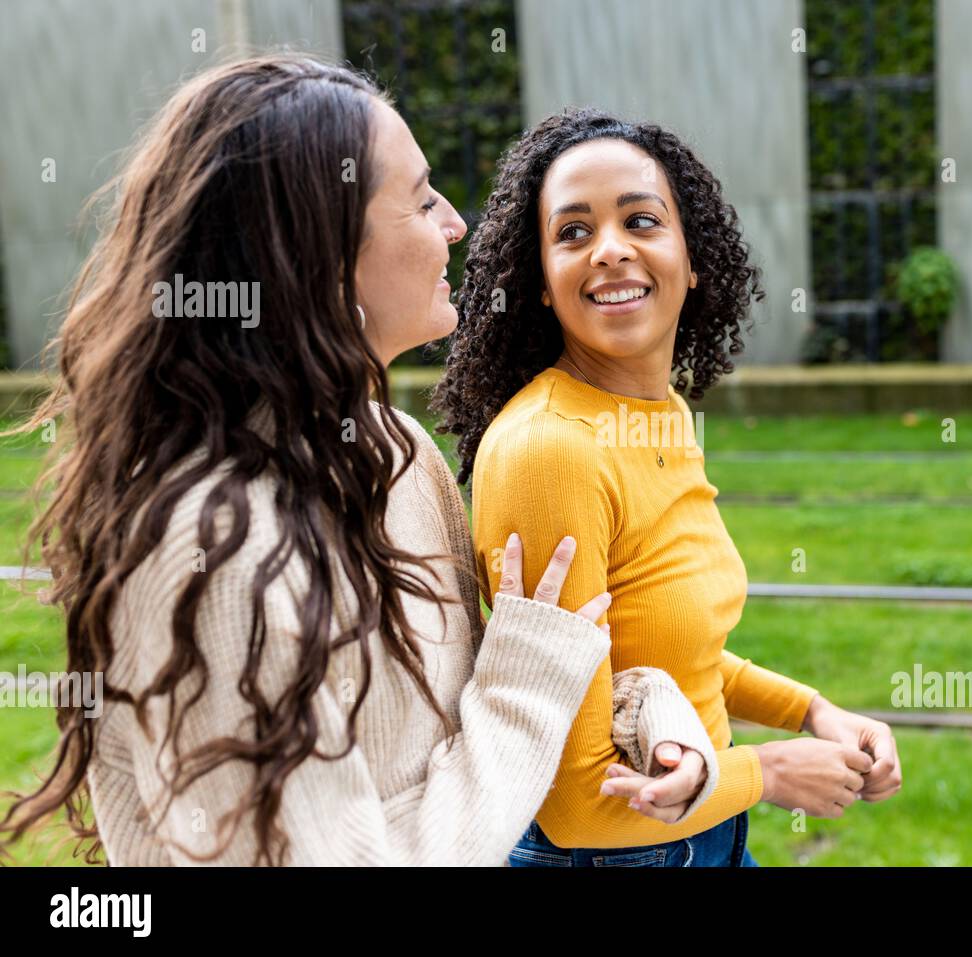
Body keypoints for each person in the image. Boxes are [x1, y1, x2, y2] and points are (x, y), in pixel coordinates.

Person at [0, 56, 715, 867]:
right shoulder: (217, 549)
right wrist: (527, 687)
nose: (456, 225)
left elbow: (478, 700)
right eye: (422, 199)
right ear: (319, 251)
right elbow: (503, 706)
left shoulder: (396, 451)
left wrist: (647, 710)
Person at [435, 108, 902, 867]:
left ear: (693, 260)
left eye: (641, 220)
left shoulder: (660, 414)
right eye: (573, 232)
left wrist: (811, 710)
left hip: (695, 825)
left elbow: (667, 648)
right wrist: (768, 772)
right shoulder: (551, 449)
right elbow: (575, 806)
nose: (610, 249)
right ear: (543, 282)